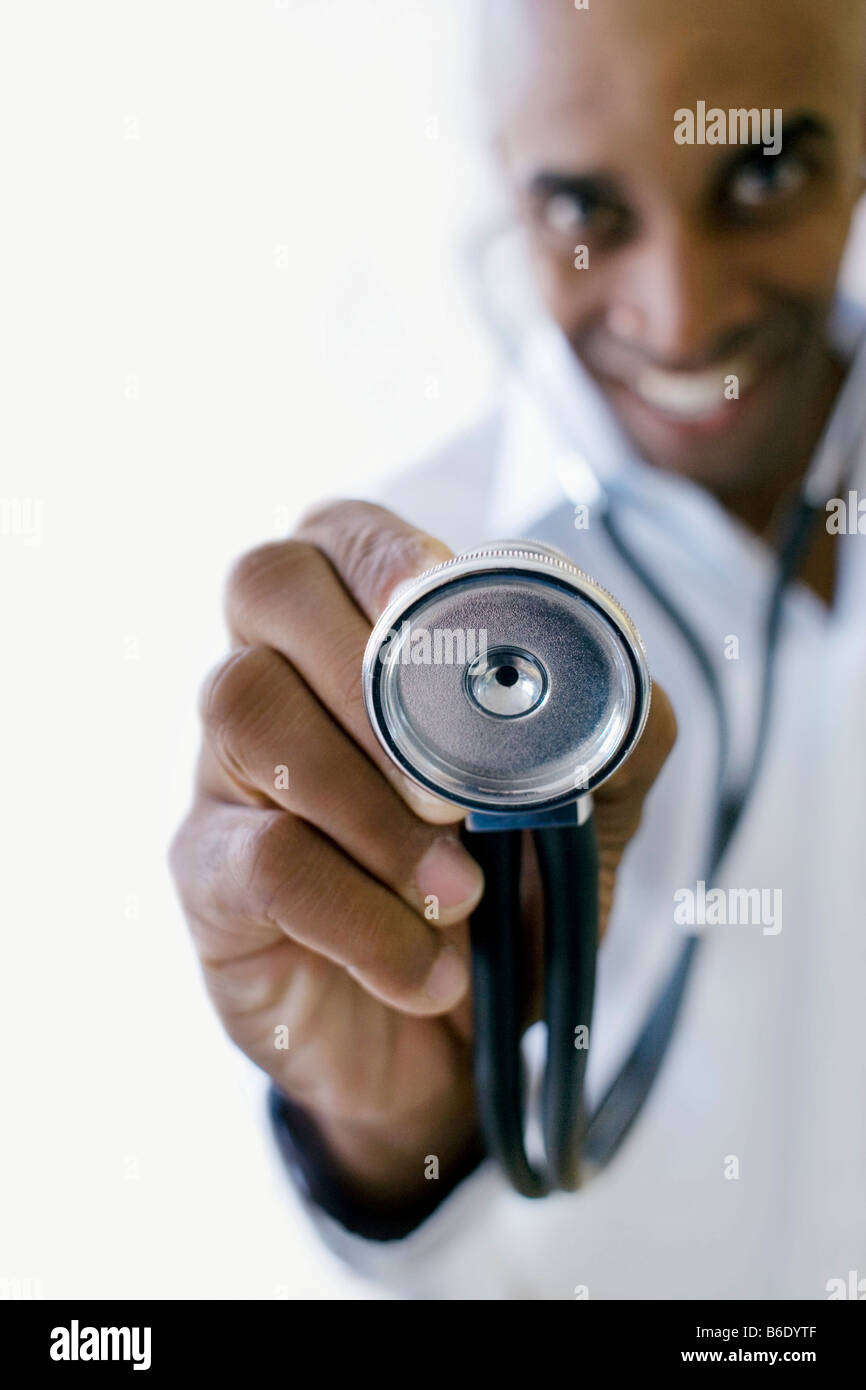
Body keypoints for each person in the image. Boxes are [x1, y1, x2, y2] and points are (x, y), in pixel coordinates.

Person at [169, 0, 866, 1298]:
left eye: (765, 171)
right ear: (500, 177)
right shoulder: (397, 648)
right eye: (583, 209)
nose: (677, 319)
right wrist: (393, 1133)